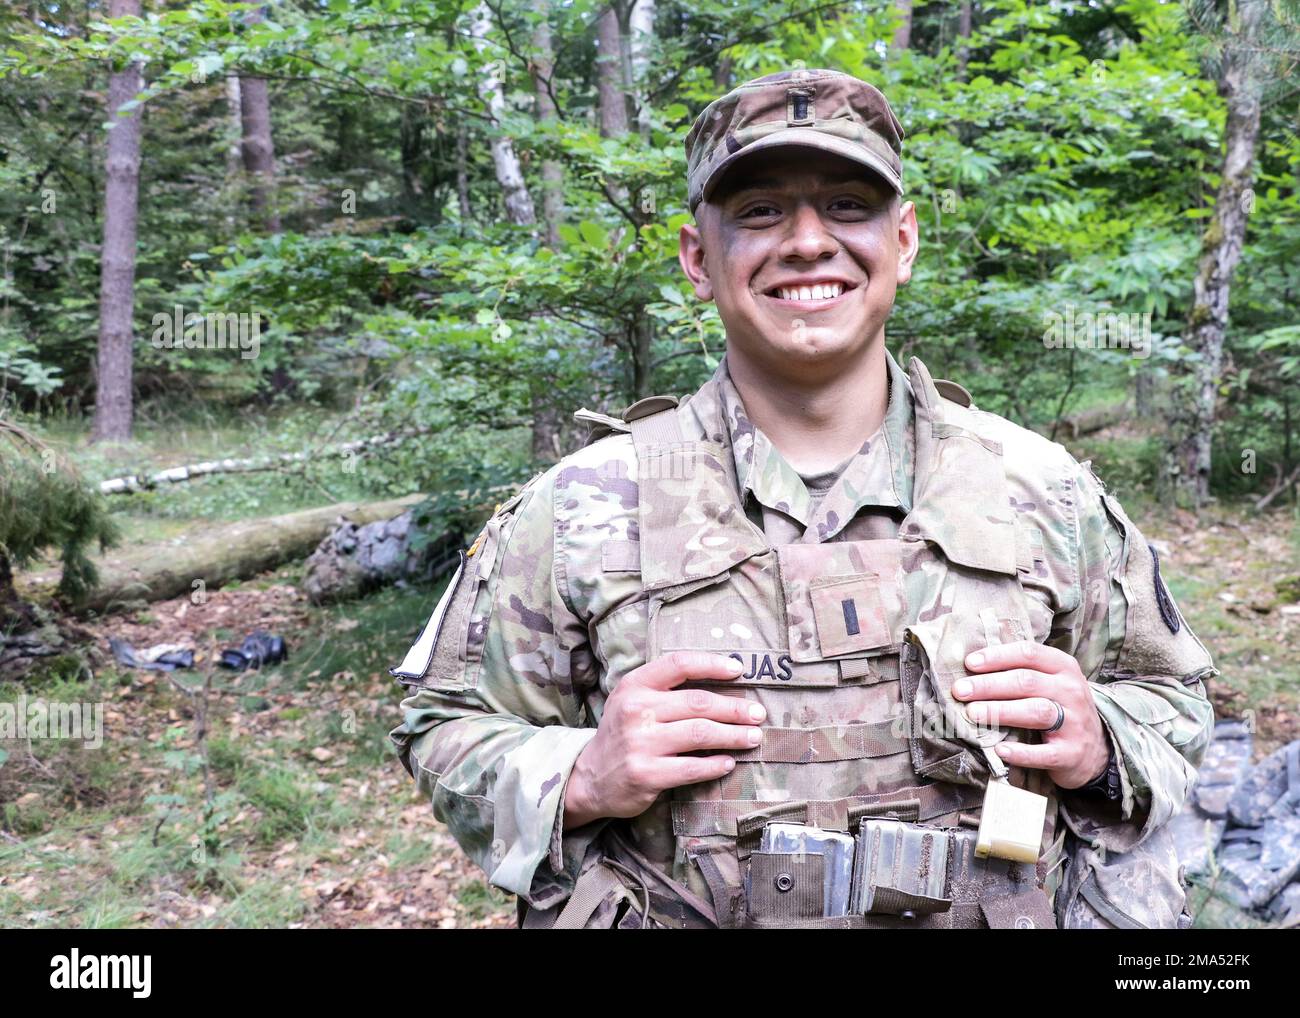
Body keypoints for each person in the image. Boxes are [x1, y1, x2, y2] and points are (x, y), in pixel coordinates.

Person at [389, 69, 1216, 929]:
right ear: (697, 259)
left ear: (904, 241)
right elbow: (443, 727)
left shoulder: (1040, 489)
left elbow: (1177, 705)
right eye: (759, 212)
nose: (809, 242)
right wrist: (582, 776)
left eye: (848, 206)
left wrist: (1101, 742)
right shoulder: (581, 508)